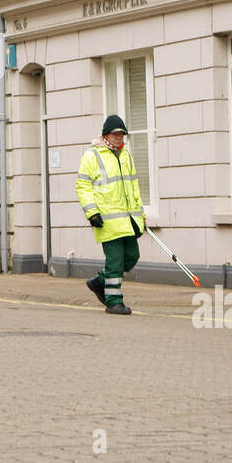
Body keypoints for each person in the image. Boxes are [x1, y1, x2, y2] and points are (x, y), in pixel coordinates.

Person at [75, 115, 146, 314]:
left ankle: (99, 282)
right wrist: (92, 213)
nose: (119, 138)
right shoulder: (92, 155)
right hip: (107, 220)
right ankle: (114, 301)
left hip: (128, 220)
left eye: (122, 134)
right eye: (115, 134)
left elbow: (134, 188)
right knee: (115, 261)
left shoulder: (126, 156)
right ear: (106, 135)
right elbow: (83, 185)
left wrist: (140, 216)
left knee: (132, 256)